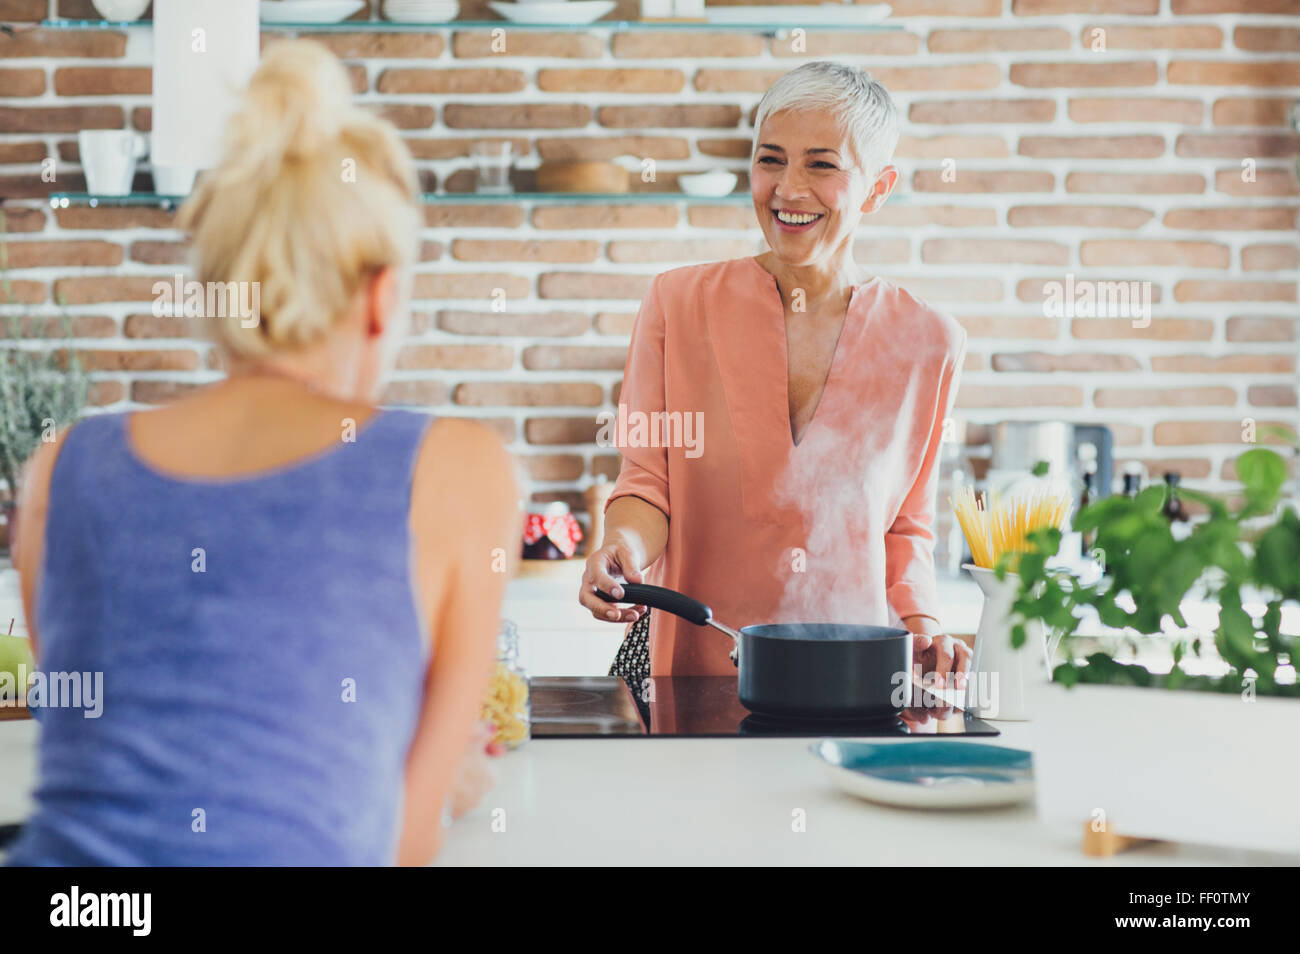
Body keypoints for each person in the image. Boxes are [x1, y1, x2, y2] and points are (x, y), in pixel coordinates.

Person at [6, 41, 519, 866]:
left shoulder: (64, 465)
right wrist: (421, 787)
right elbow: (405, 843)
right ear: (382, 297)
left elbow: (127, 735)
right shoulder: (458, 467)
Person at [580, 61, 971, 694]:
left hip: (852, 674)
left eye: (821, 165)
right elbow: (647, 483)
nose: (788, 189)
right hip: (694, 674)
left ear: (877, 188)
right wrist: (620, 544)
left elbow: (904, 529)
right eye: (770, 160)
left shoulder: (927, 340)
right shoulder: (677, 304)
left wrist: (925, 630)